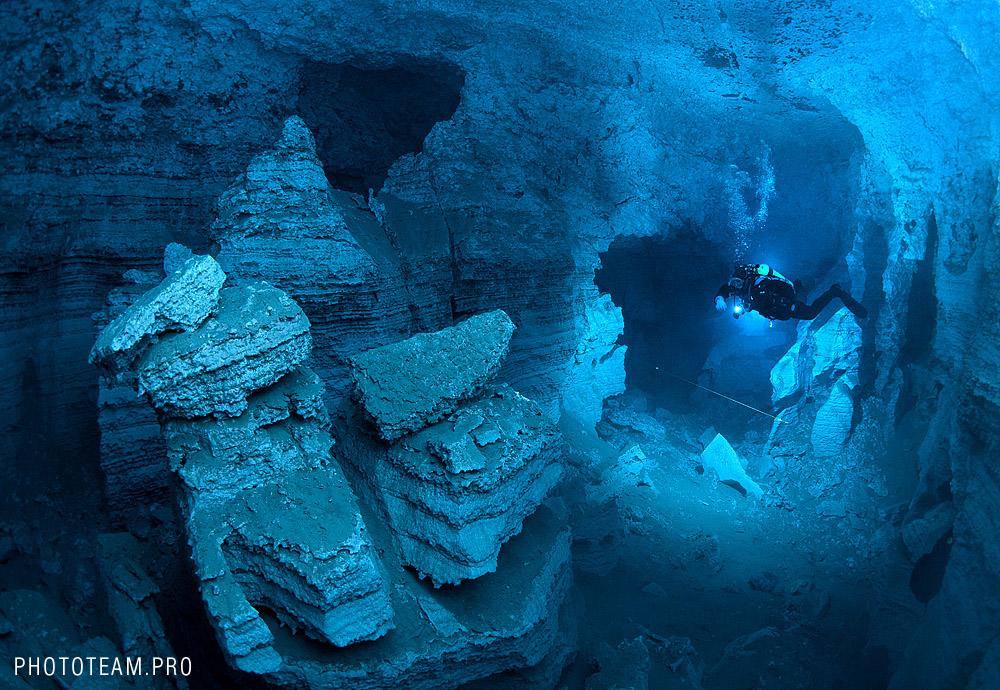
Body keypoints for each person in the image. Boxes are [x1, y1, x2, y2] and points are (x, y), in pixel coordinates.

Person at [714, 263, 867, 321]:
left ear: (746, 279)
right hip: (781, 302)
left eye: (738, 282)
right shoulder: (741, 288)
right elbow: (724, 289)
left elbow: (780, 289)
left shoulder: (760, 284)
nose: (736, 286)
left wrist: (791, 301)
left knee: (809, 313)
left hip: (787, 302)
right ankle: (803, 282)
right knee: (799, 287)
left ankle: (835, 291)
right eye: (734, 283)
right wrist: (719, 298)